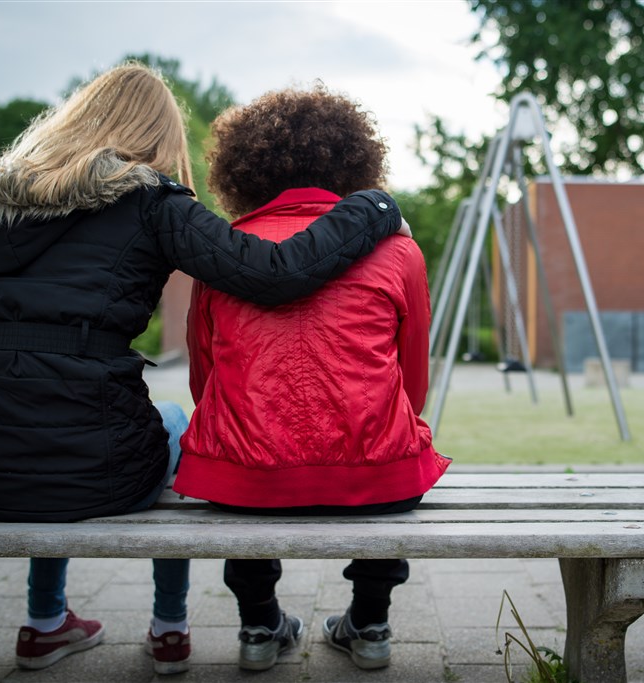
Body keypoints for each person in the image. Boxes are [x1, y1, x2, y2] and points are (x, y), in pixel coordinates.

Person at [0, 63, 406, 675]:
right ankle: (170, 627)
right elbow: (274, 275)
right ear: (153, 137)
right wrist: (372, 208)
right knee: (173, 422)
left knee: (44, 415)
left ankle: (44, 622)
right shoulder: (149, 202)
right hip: (99, 471)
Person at [173, 85, 451, 672]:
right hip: (378, 472)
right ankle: (370, 622)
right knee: (397, 458)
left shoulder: (224, 250)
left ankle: (259, 625)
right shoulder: (399, 251)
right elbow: (413, 376)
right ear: (354, 162)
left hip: (247, 475)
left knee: (236, 479)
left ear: (244, 170)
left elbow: (205, 375)